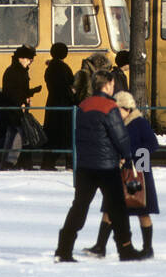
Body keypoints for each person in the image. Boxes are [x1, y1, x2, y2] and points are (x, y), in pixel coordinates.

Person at [55, 69, 142, 263]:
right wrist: (126, 155)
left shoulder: (83, 105)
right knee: (117, 208)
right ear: (108, 84)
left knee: (79, 207)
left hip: (85, 167)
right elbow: (119, 136)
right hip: (106, 166)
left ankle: (64, 248)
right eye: (112, 85)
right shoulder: (110, 107)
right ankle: (125, 248)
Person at [86, 89, 159, 260]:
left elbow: (152, 144)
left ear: (127, 109)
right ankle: (100, 246)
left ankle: (148, 248)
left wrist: (132, 157)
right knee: (110, 209)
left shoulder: (139, 123)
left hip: (138, 174)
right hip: (118, 172)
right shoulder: (116, 124)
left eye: (117, 109)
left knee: (142, 209)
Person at [0, 45, 41, 169]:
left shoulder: (14, 70)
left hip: (12, 107)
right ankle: (11, 162)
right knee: (20, 135)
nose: (30, 62)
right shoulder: (18, 72)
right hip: (15, 108)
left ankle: (7, 162)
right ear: (21, 58)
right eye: (28, 59)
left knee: (12, 134)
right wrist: (22, 101)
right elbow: (16, 91)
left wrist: (31, 92)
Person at [42, 42, 74, 170]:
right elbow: (68, 86)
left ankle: (48, 161)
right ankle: (68, 162)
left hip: (52, 102)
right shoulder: (63, 68)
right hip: (63, 105)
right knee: (65, 134)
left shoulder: (50, 68)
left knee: (52, 134)